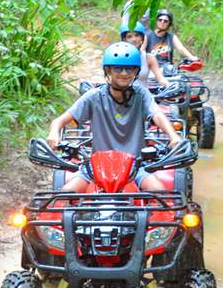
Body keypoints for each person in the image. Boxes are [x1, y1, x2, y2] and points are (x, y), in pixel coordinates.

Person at [47, 42, 182, 192]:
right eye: (118, 68)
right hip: (97, 167)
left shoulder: (141, 95)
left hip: (135, 166)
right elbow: (59, 121)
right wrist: (54, 133)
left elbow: (157, 115)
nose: (124, 73)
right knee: (65, 194)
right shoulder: (94, 96)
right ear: (108, 70)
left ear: (136, 71)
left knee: (160, 193)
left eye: (129, 68)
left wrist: (173, 136)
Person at [119, 22, 170, 89]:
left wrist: (168, 85)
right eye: (129, 37)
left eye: (137, 35)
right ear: (124, 39)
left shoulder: (149, 58)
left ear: (142, 38)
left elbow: (160, 78)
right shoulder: (118, 57)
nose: (134, 39)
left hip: (143, 94)